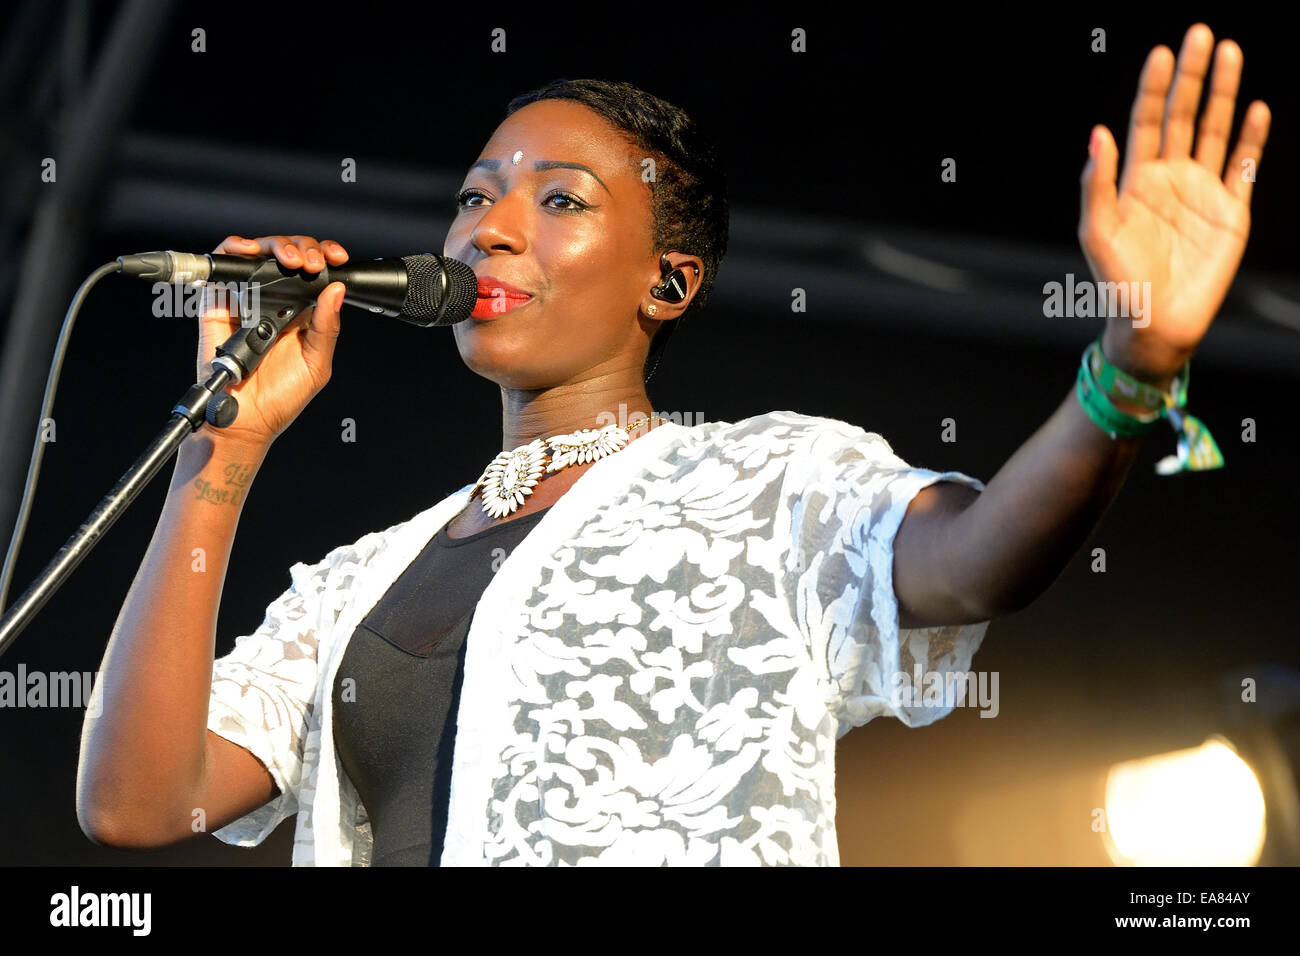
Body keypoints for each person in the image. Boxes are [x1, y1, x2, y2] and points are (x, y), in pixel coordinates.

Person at [75, 24, 1271, 865]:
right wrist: (218, 454)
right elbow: (137, 802)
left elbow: (979, 558)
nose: (489, 227)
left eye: (559, 199)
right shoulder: (360, 579)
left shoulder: (768, 483)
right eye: (474, 194)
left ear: (669, 279)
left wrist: (1133, 365)